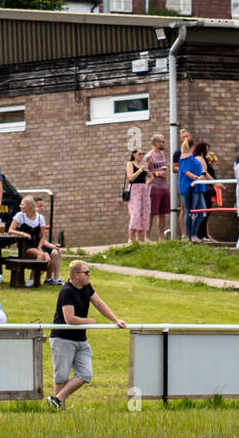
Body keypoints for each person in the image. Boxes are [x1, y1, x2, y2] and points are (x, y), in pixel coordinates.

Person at [46, 260, 127, 409]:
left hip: (80, 340)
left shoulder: (86, 287)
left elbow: (99, 303)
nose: (89, 275)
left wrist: (116, 320)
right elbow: (69, 319)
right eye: (86, 272)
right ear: (76, 275)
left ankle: (56, 399)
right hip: (62, 339)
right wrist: (89, 321)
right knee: (62, 377)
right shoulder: (67, 291)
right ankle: (58, 411)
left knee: (85, 374)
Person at [12, 195, 63, 284]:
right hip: (26, 246)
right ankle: (33, 280)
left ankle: (36, 279)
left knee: (44, 256)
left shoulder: (40, 218)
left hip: (36, 246)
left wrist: (39, 247)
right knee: (42, 255)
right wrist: (22, 233)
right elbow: (10, 230)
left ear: (28, 206)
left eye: (22, 204)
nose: (20, 206)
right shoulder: (20, 216)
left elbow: (43, 236)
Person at [177, 139, 207, 242]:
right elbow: (186, 172)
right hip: (189, 188)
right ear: (192, 146)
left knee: (202, 211)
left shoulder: (193, 158)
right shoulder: (185, 157)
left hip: (198, 187)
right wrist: (196, 178)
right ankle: (190, 235)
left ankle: (194, 233)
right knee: (190, 212)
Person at [145, 135, 170, 240]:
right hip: (154, 186)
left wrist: (164, 173)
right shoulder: (149, 156)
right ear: (156, 143)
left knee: (162, 213)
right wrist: (157, 174)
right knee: (152, 213)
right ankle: (147, 237)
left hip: (164, 186)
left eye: (164, 142)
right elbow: (145, 171)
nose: (163, 144)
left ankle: (161, 237)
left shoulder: (163, 154)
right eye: (161, 142)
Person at [125, 149, 152, 244]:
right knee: (135, 213)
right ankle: (130, 238)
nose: (141, 155)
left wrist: (147, 183)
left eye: (143, 154)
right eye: (139, 154)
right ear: (134, 154)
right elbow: (130, 178)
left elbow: (151, 176)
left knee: (145, 212)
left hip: (143, 190)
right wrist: (140, 171)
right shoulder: (130, 164)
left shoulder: (143, 165)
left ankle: (142, 238)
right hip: (134, 189)